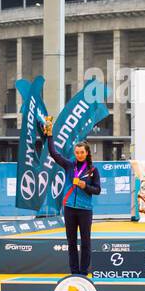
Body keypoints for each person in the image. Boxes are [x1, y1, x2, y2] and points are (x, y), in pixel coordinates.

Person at [43, 118, 101, 276]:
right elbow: (54, 154)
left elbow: (97, 190)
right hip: (69, 209)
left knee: (86, 243)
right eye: (77, 152)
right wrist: (49, 135)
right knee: (71, 243)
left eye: (82, 152)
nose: (80, 155)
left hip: (84, 210)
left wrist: (85, 186)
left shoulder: (93, 170)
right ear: (75, 153)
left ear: (87, 153)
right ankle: (74, 272)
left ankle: (84, 273)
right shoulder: (69, 165)